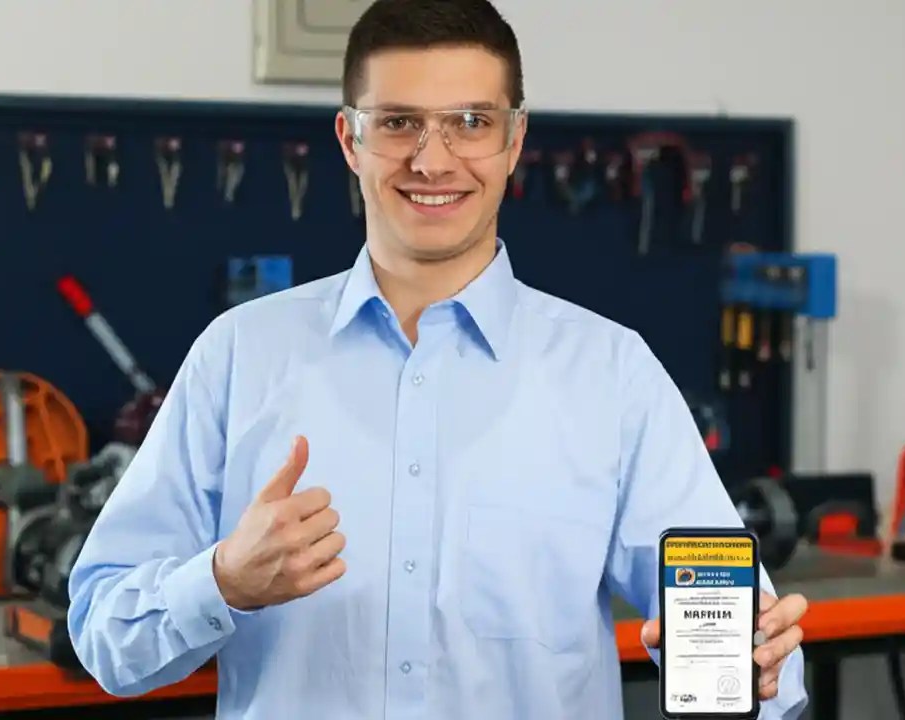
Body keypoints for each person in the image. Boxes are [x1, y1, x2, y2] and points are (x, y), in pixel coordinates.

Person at [66, 0, 809, 718]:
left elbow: (747, 637)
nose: (432, 159)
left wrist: (759, 663)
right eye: (398, 123)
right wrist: (222, 580)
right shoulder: (238, 357)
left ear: (514, 141)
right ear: (350, 140)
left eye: (470, 123)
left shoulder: (612, 376)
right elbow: (104, 635)